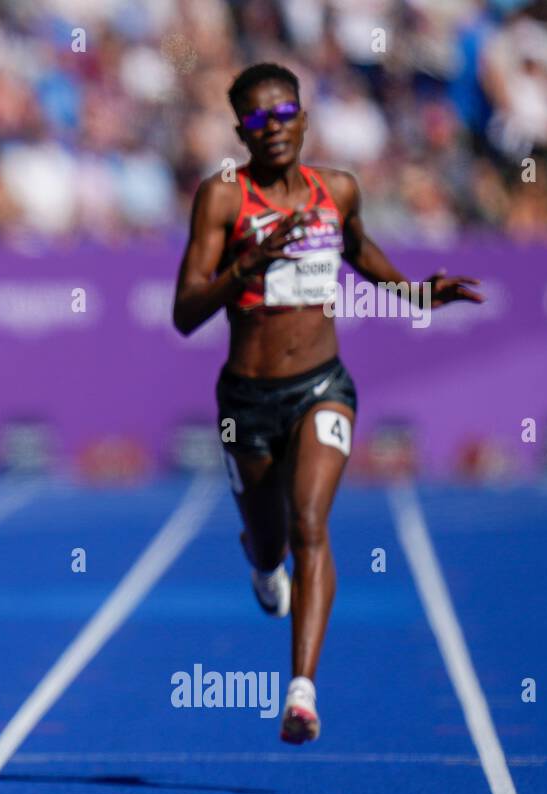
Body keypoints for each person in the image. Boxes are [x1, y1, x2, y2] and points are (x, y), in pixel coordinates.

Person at [172, 63, 482, 744]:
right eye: (257, 119)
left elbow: (361, 252)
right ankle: (260, 563)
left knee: (312, 522)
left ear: (305, 120)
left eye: (284, 114)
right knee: (270, 537)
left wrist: (419, 294)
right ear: (239, 132)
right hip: (244, 402)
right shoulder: (222, 199)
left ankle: (302, 693)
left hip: (322, 387)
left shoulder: (335, 189)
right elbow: (185, 314)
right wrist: (246, 268)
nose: (273, 128)